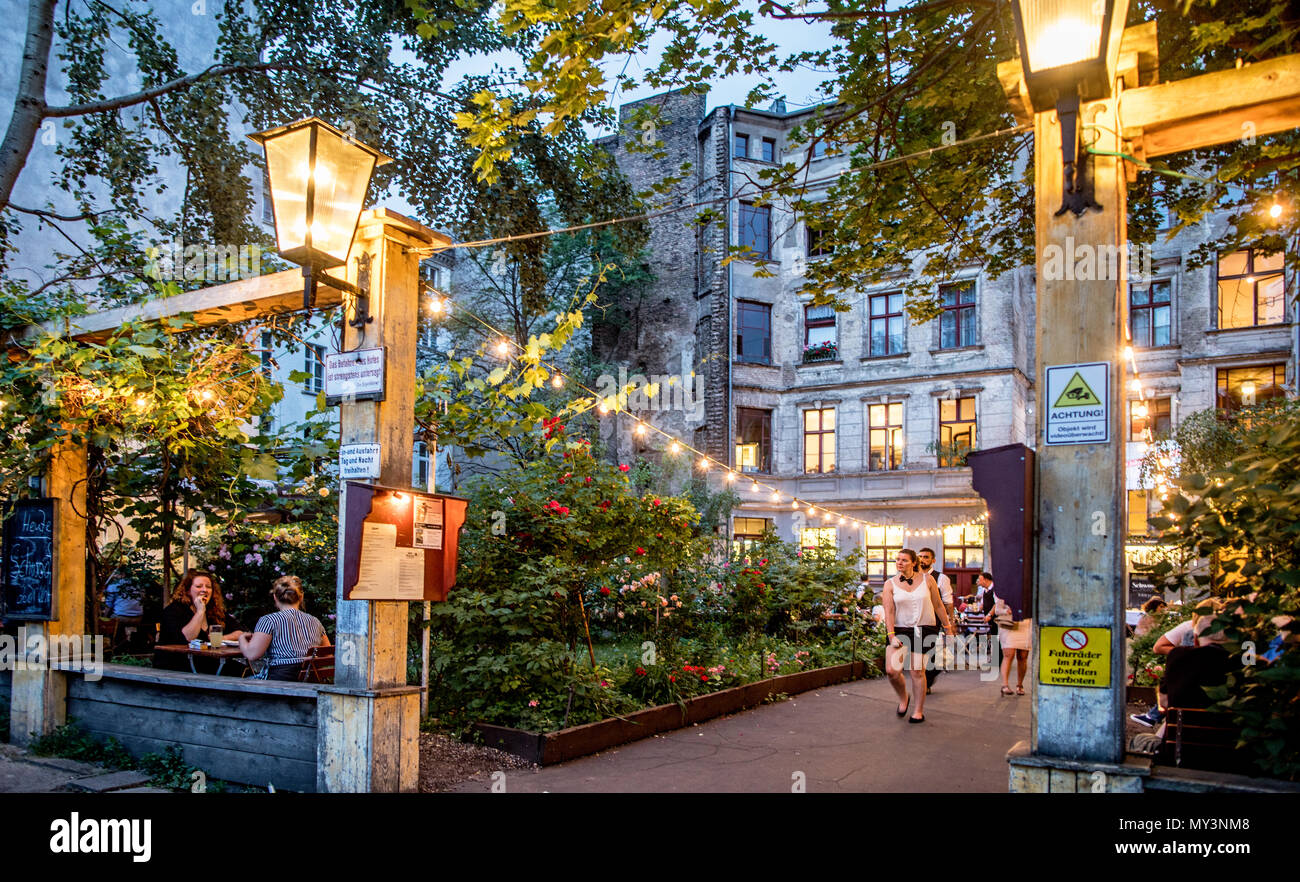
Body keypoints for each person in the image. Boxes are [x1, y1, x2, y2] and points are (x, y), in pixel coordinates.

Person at [883, 549, 956, 724]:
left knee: (917, 671)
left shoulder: (927, 579)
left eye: (904, 560)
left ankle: (918, 711)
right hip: (899, 629)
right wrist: (891, 634)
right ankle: (903, 698)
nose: (899, 563)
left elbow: (938, 605)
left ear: (914, 563)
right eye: (898, 560)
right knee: (892, 671)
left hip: (924, 629)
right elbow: (889, 611)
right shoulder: (890, 584)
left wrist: (948, 628)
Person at [1131, 600, 1222, 727]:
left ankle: (1152, 717)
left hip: (1183, 732)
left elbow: (1164, 702)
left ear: (1196, 640)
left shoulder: (1185, 643)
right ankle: (1152, 716)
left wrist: (1182, 656)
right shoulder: (1238, 661)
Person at [239, 575, 330, 681]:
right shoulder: (315, 621)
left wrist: (242, 638)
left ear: (275, 597)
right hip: (311, 680)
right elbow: (327, 654)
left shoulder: (269, 621)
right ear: (301, 597)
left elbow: (252, 654)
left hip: (279, 680)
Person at [154, 569, 244, 673]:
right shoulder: (175, 610)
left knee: (242, 671)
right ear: (187, 590)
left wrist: (223, 638)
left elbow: (241, 632)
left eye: (208, 587)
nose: (204, 590)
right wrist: (200, 611)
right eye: (199, 586)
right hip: (177, 664)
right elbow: (188, 637)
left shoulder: (215, 611)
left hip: (208, 661)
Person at [916, 547, 954, 693]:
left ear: (933, 560)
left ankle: (928, 679)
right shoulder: (913, 577)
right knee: (919, 651)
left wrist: (949, 623)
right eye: (920, 556)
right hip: (915, 619)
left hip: (933, 620)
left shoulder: (941, 578)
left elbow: (947, 602)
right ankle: (925, 678)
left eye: (926, 557)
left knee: (928, 650)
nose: (922, 560)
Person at [992, 584, 1032, 696]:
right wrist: (1007, 611)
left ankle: (1020, 685)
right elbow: (998, 609)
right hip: (1009, 623)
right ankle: (1005, 685)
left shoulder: (1028, 586)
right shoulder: (1002, 587)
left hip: (1025, 621)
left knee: (1023, 656)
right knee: (1009, 654)